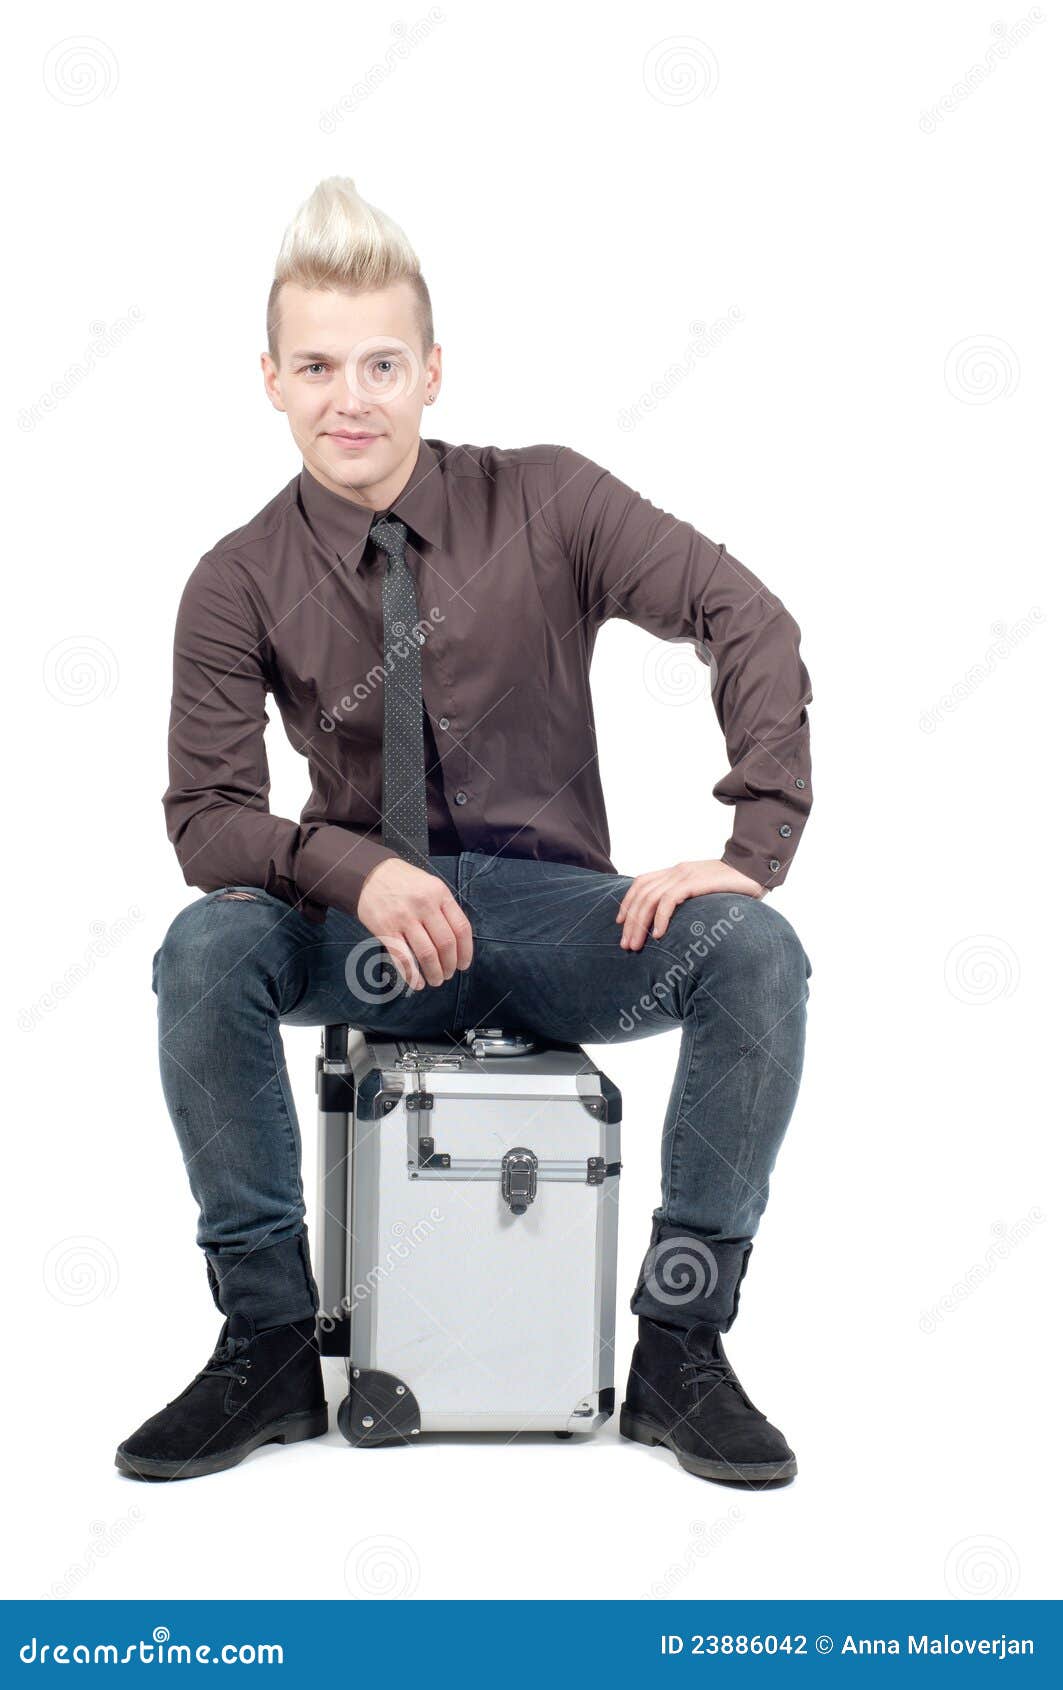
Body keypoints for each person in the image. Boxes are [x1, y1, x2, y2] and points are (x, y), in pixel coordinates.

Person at [116, 175, 814, 1487]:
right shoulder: (235, 577)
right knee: (203, 949)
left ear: (434, 370)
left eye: (382, 361)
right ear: (270, 379)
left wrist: (755, 840)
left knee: (757, 949)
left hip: (558, 921)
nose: (352, 397)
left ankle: (681, 1349)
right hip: (357, 931)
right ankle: (266, 1339)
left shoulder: (549, 498)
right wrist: (354, 868)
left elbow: (746, 615)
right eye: (318, 365)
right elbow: (206, 820)